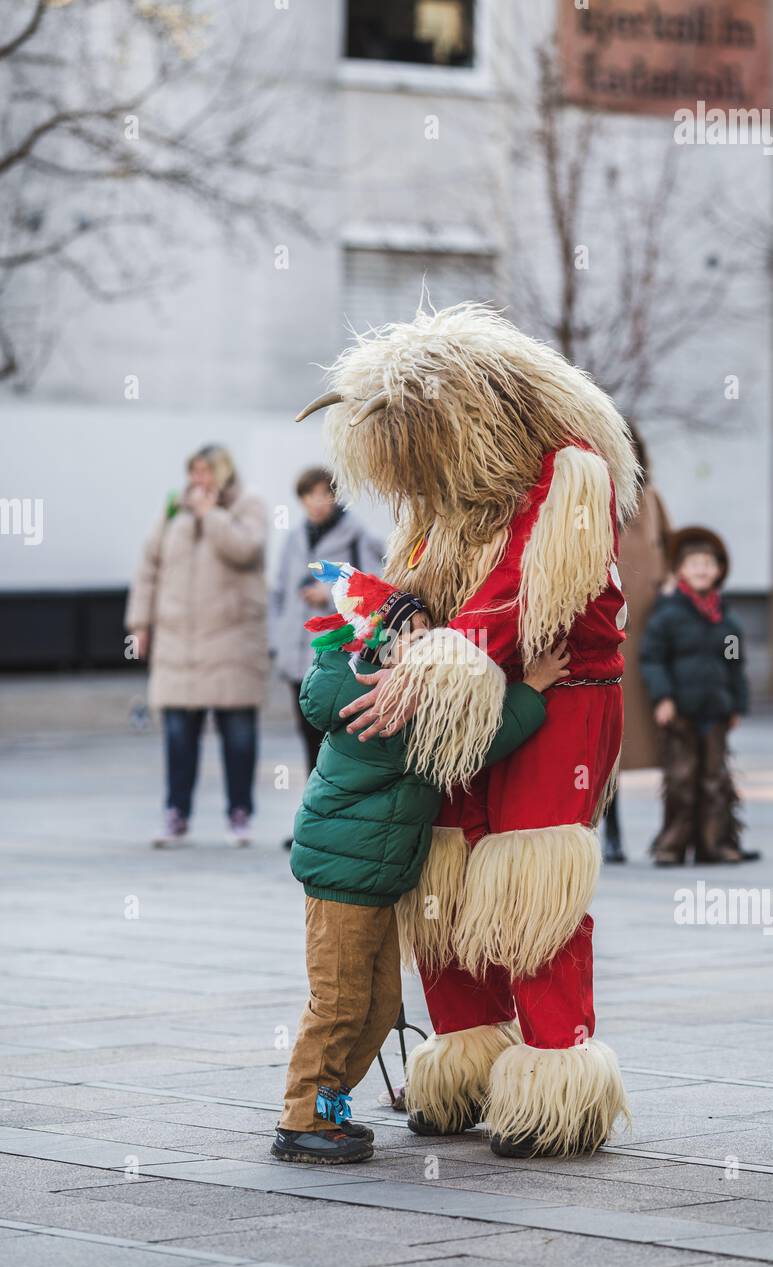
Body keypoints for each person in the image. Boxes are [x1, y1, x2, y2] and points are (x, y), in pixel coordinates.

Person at [294, 301, 640, 1158]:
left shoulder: (569, 470)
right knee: (445, 875)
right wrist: (402, 649)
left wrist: (427, 665)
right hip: (461, 695)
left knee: (528, 886)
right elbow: (408, 594)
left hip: (554, 694)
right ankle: (466, 1061)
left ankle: (558, 1077)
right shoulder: (441, 500)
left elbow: (523, 592)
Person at [272, 560, 568, 1165]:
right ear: (381, 647)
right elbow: (473, 740)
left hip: (374, 879)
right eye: (415, 634)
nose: (430, 642)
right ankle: (302, 1118)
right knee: (339, 1003)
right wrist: (533, 691)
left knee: (378, 1007)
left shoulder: (393, 694)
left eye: (433, 630)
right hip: (343, 879)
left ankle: (327, 1112)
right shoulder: (380, 709)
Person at [126, 445, 268, 848]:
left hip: (231, 641)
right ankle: (176, 813)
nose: (198, 481)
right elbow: (147, 569)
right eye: (194, 473)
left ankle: (240, 813)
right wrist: (139, 625)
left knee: (238, 733)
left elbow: (248, 549)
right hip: (178, 645)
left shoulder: (247, 504)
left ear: (222, 473)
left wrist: (213, 516)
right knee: (177, 734)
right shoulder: (174, 511)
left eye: (206, 473)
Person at [639, 525, 757, 865]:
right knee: (681, 779)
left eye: (708, 564)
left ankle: (713, 844)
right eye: (694, 565)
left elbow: (735, 665)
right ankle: (672, 846)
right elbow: (653, 659)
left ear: (719, 571)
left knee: (715, 781)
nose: (702, 570)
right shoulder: (668, 616)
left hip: (715, 711)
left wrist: (737, 704)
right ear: (679, 572)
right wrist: (663, 698)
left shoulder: (727, 622)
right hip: (680, 713)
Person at [270, 465, 382, 781]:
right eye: (310, 495)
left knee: (337, 739)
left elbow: (377, 593)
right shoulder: (293, 538)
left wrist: (331, 594)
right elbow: (279, 593)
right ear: (301, 499)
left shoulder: (357, 537)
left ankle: (335, 814)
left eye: (325, 494)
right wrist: (278, 643)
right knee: (306, 736)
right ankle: (312, 812)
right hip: (297, 657)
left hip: (340, 658)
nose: (318, 501)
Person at [604, 422, 673, 863]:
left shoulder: (651, 500)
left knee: (661, 731)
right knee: (608, 736)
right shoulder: (590, 499)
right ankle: (610, 829)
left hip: (651, 633)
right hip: (609, 629)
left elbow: (672, 551)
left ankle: (681, 829)